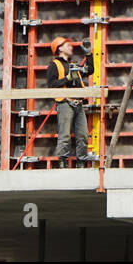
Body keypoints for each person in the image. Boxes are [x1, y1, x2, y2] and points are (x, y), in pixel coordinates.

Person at [46, 37, 94, 167]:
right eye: (68, 45)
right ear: (60, 48)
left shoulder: (73, 65)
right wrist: (67, 78)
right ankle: (62, 163)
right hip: (64, 103)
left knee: (83, 135)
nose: (71, 47)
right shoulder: (54, 65)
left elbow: (90, 70)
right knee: (65, 136)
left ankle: (81, 162)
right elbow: (51, 85)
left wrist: (88, 54)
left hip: (78, 104)